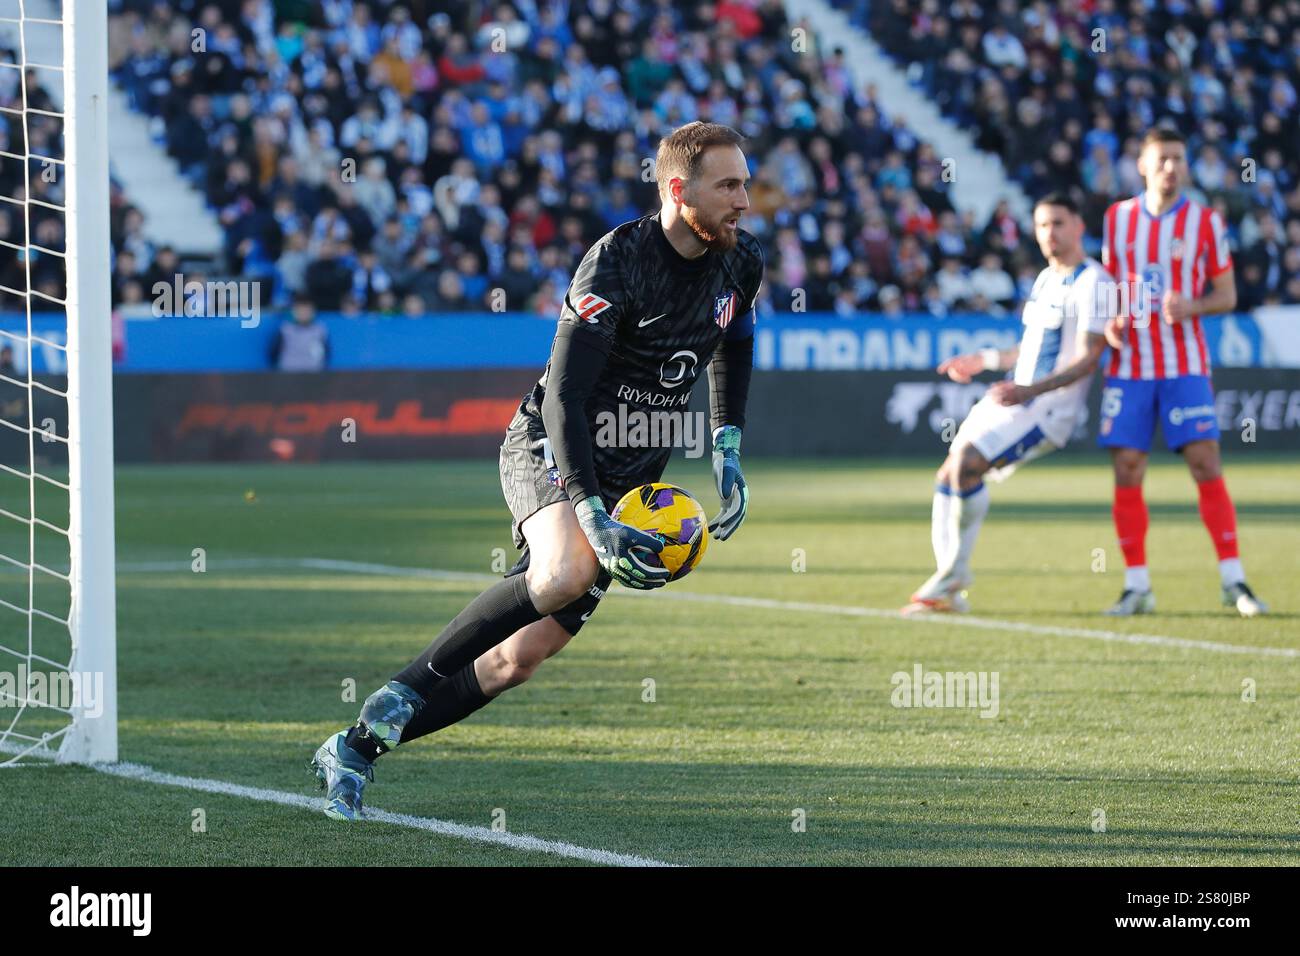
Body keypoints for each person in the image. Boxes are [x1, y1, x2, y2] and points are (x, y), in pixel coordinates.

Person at [310, 121, 765, 820]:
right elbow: (565, 398)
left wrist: (727, 446)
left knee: (514, 661)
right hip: (552, 444)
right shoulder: (616, 262)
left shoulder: (741, 262)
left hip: (632, 475)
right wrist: (589, 512)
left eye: (745, 182)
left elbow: (735, 336)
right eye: (729, 185)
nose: (745, 200)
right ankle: (402, 690)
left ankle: (355, 747)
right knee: (563, 574)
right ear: (679, 190)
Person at [902, 193, 1109, 615]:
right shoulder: (1046, 279)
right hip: (1016, 394)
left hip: (1048, 407)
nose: (1049, 233)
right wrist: (986, 360)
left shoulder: (1095, 282)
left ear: (1078, 226)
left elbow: (1089, 358)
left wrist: (1030, 392)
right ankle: (950, 586)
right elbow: (1030, 347)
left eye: (1057, 223)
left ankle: (952, 576)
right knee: (950, 471)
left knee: (967, 465)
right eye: (1041, 225)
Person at [1097, 127, 1266, 617]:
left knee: (1204, 463)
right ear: (1143, 165)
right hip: (1129, 366)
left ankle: (1234, 580)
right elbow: (1112, 285)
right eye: (1163, 158)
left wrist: (1191, 305)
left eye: (1179, 158)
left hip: (1183, 365)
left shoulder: (1206, 222)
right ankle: (1137, 586)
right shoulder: (1117, 219)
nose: (1172, 167)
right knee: (1128, 469)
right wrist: (1112, 317)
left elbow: (1228, 296)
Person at [269, 294, 329, 372]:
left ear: (313, 311)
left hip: (313, 374)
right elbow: (274, 353)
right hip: (289, 373)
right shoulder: (285, 329)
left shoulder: (320, 330)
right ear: (294, 311)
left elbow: (325, 353)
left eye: (307, 310)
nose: (303, 313)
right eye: (300, 310)